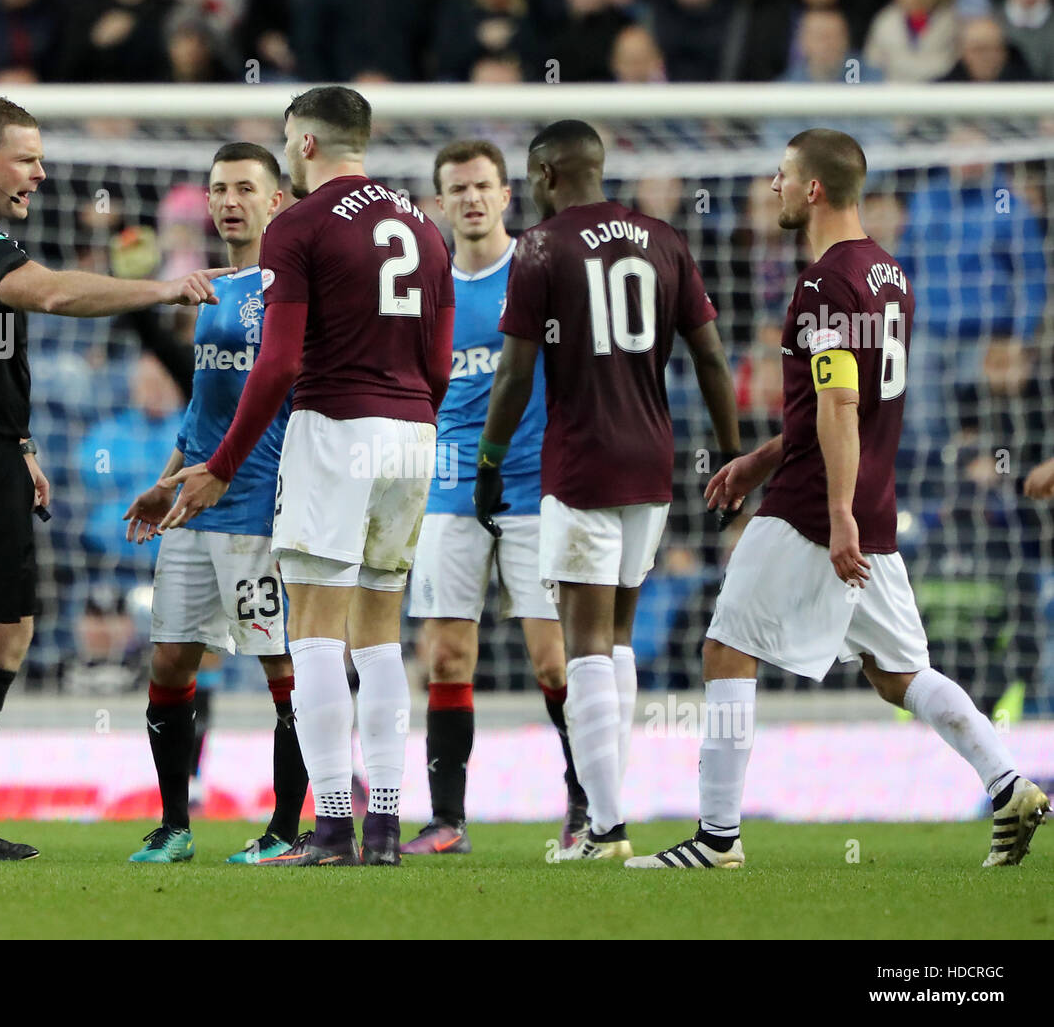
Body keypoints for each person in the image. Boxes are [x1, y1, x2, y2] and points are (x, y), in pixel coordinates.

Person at [628, 129, 1049, 871]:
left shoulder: (824, 283)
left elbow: (840, 403)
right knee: (897, 674)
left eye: (784, 175)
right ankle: (1009, 781)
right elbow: (841, 402)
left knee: (727, 648)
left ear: (814, 188)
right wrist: (763, 457)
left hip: (816, 509)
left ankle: (717, 839)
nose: (773, 186)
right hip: (868, 500)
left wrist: (839, 510)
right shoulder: (890, 275)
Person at [0, 92, 228, 861]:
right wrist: (162, 287)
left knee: (9, 633)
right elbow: (47, 292)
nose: (41, 173)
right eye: (27, 158)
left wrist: (19, 441)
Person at [163, 86, 454, 866]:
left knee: (317, 634)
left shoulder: (299, 224)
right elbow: (439, 362)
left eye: (289, 139)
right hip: (413, 432)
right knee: (381, 637)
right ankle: (386, 827)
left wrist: (222, 465)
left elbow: (281, 361)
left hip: (335, 425)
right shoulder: (426, 227)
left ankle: (330, 828)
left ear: (307, 145)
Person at [479, 119, 739, 860]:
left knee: (585, 645)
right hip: (652, 464)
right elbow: (714, 361)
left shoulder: (539, 246)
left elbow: (513, 374)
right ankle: (609, 818)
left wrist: (491, 461)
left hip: (582, 461)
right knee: (617, 640)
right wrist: (731, 458)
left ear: (546, 173)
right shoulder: (664, 239)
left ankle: (605, 828)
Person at [121, 141, 309, 865]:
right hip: (193, 511)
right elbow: (204, 406)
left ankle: (287, 830)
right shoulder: (213, 289)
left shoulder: (293, 290)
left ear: (276, 201)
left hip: (259, 511)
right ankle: (175, 825)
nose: (229, 200)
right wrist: (166, 480)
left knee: (281, 672)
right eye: (218, 189)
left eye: (243, 188)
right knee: (170, 664)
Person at [402, 139, 583, 856]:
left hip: (537, 486)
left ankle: (587, 805)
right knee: (445, 655)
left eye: (484, 186)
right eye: (458, 189)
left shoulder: (541, 275)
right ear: (439, 204)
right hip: (448, 487)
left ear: (508, 196)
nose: (472, 199)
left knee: (554, 661)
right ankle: (448, 821)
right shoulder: (425, 291)